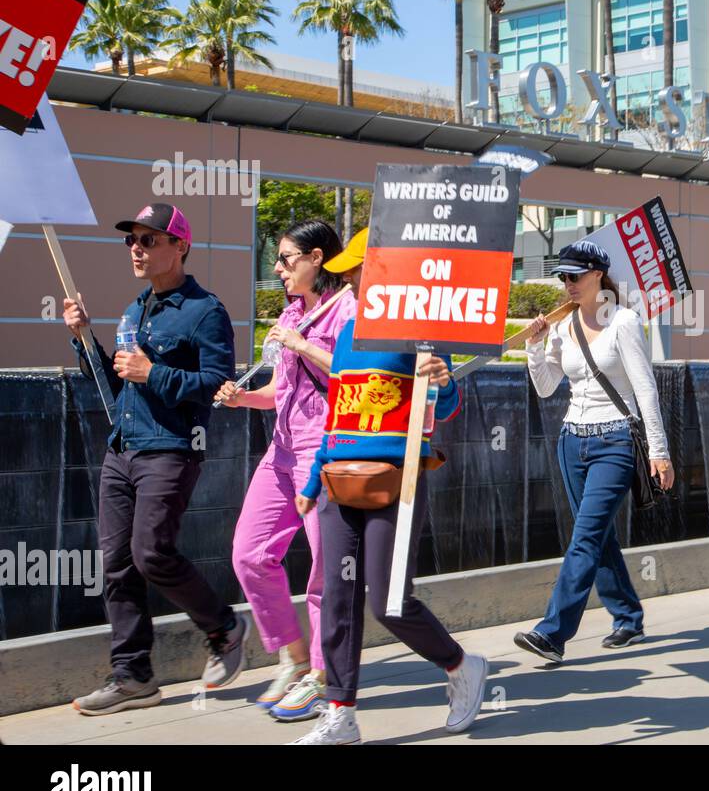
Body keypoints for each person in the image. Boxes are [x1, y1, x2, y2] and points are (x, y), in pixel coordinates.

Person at [291, 227, 488, 744]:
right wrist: (313, 481)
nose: (350, 281)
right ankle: (340, 713)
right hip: (339, 483)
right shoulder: (349, 336)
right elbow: (338, 415)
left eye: (357, 271)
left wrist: (442, 381)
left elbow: (442, 410)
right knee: (338, 597)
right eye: (349, 274)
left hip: (396, 480)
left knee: (389, 602)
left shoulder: (419, 337)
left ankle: (461, 665)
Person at [63, 203, 242, 716]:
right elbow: (115, 383)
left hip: (170, 448)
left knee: (151, 554)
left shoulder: (205, 311)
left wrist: (153, 374)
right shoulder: (134, 309)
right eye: (132, 241)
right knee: (117, 566)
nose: (137, 249)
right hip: (122, 448)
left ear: (179, 247)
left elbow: (215, 386)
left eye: (149, 240)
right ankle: (132, 676)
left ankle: (224, 626)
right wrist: (85, 340)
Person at [214, 221, 355, 721]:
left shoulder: (348, 309)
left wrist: (297, 342)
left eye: (286, 258)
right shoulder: (293, 312)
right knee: (249, 553)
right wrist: (245, 398)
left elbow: (351, 377)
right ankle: (293, 658)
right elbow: (285, 390)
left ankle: (322, 675)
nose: (277, 268)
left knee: (324, 571)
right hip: (282, 448)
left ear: (317, 258)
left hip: (327, 449)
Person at [514, 240, 674, 662]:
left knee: (584, 537)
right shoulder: (563, 325)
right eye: (562, 277)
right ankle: (628, 616)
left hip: (616, 442)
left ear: (598, 275)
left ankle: (552, 632)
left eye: (575, 276)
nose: (567, 284)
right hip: (571, 441)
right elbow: (547, 387)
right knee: (596, 535)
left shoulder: (623, 321)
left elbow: (645, 388)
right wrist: (534, 345)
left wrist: (659, 450)